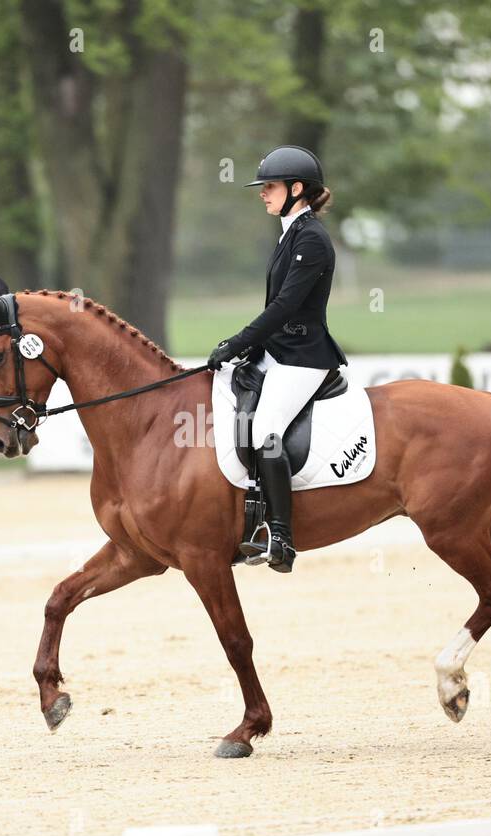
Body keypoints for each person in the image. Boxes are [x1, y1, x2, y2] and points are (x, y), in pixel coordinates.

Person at [207, 145, 348, 572]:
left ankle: (281, 538)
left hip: (303, 357)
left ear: (297, 189)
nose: (262, 194)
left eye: (269, 186)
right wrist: (250, 348)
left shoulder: (312, 238)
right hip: (280, 352)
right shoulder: (290, 233)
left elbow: (285, 307)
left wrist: (236, 342)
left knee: (266, 428)